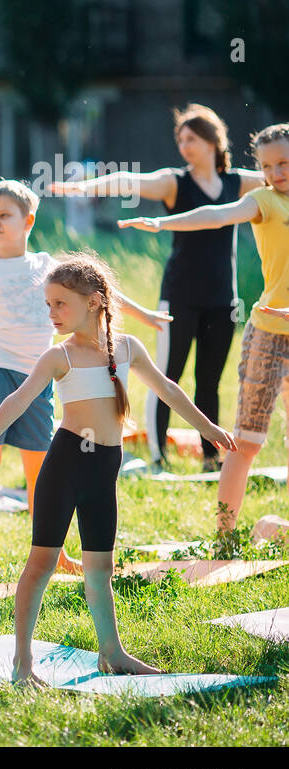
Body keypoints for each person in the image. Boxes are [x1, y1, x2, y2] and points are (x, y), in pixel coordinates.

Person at [0, 253, 234, 684]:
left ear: (96, 301)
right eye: (48, 304)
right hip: (64, 465)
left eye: (61, 303)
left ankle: (111, 653)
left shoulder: (128, 349)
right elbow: (16, 400)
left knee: (100, 569)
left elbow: (168, 390)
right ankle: (22, 664)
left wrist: (207, 426)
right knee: (41, 564)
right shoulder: (58, 356)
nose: (52, 313)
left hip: (104, 468)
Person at [0, 181, 169, 574]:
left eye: (4, 215)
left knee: (41, 471)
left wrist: (146, 316)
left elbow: (99, 288)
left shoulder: (46, 265)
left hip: (39, 378)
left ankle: (53, 554)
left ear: (28, 220)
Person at [52, 104, 264, 471]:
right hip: (179, 295)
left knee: (210, 381)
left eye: (191, 138)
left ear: (214, 140)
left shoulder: (237, 182)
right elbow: (126, 181)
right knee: (167, 376)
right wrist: (83, 187)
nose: (184, 146)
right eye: (180, 139)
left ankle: (211, 457)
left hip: (222, 298)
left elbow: (277, 175)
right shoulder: (174, 181)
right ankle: (157, 456)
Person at [119, 122, 289, 533]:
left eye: (284, 162)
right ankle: (224, 537)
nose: (275, 172)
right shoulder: (263, 200)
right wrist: (166, 223)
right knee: (246, 441)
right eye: (267, 166)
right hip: (269, 334)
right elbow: (218, 214)